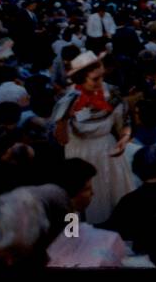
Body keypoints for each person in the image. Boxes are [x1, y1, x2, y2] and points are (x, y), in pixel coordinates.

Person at [54, 52, 133, 224]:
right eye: (95, 79)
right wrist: (64, 118)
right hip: (79, 154)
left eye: (102, 77)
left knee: (114, 198)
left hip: (108, 152)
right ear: (80, 79)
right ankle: (73, 240)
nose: (100, 83)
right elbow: (62, 140)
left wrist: (124, 138)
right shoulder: (67, 99)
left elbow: (125, 124)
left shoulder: (112, 93)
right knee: (76, 202)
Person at [48, 158, 129, 267]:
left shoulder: (69, 214)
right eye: (87, 189)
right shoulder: (61, 219)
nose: (92, 193)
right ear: (71, 194)